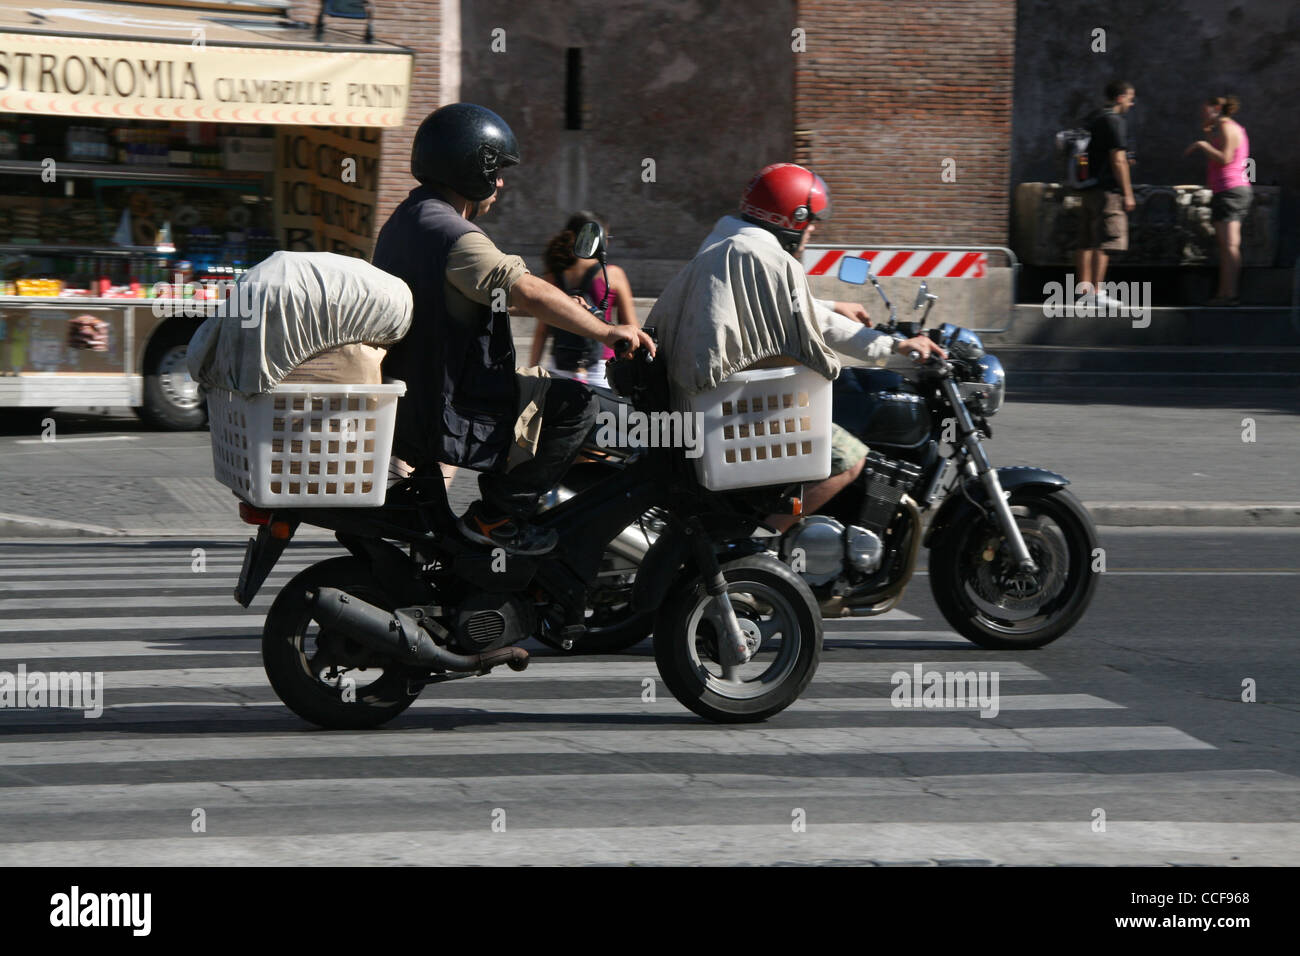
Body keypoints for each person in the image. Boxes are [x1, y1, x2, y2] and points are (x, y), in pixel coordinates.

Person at [373, 103, 653, 555]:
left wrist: (567, 309)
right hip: (451, 404)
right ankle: (497, 517)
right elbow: (521, 288)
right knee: (575, 405)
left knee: (544, 393)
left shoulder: (407, 221)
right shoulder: (455, 235)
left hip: (418, 397)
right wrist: (608, 333)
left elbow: (480, 294)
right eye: (497, 170)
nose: (501, 183)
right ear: (472, 168)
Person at [647, 162, 944, 533]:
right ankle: (758, 546)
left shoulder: (729, 244)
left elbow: (784, 304)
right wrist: (894, 345)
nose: (813, 230)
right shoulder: (763, 256)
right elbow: (812, 323)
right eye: (811, 222)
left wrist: (834, 305)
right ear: (793, 218)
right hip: (738, 410)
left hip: (702, 400)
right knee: (849, 459)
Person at [528, 212, 639, 389]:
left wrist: (532, 373)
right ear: (598, 239)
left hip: (558, 366)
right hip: (601, 371)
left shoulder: (555, 273)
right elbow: (631, 327)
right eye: (606, 237)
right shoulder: (613, 275)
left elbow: (542, 330)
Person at [1075, 80, 1137, 309]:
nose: (1132, 103)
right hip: (1107, 189)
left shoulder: (1093, 118)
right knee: (1104, 240)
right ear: (1120, 97)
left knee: (1086, 239)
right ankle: (1097, 291)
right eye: (1131, 98)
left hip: (1088, 186)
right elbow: (1118, 160)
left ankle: (1083, 289)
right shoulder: (1114, 121)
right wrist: (1128, 193)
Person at [1185, 95, 1251, 306]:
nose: (1202, 114)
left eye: (1205, 110)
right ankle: (1224, 293)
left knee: (1230, 245)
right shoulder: (1226, 127)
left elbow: (1225, 158)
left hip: (1231, 190)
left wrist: (1202, 144)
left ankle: (1230, 295)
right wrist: (1207, 133)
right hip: (1227, 191)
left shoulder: (1226, 125)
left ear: (1216, 108)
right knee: (1225, 245)